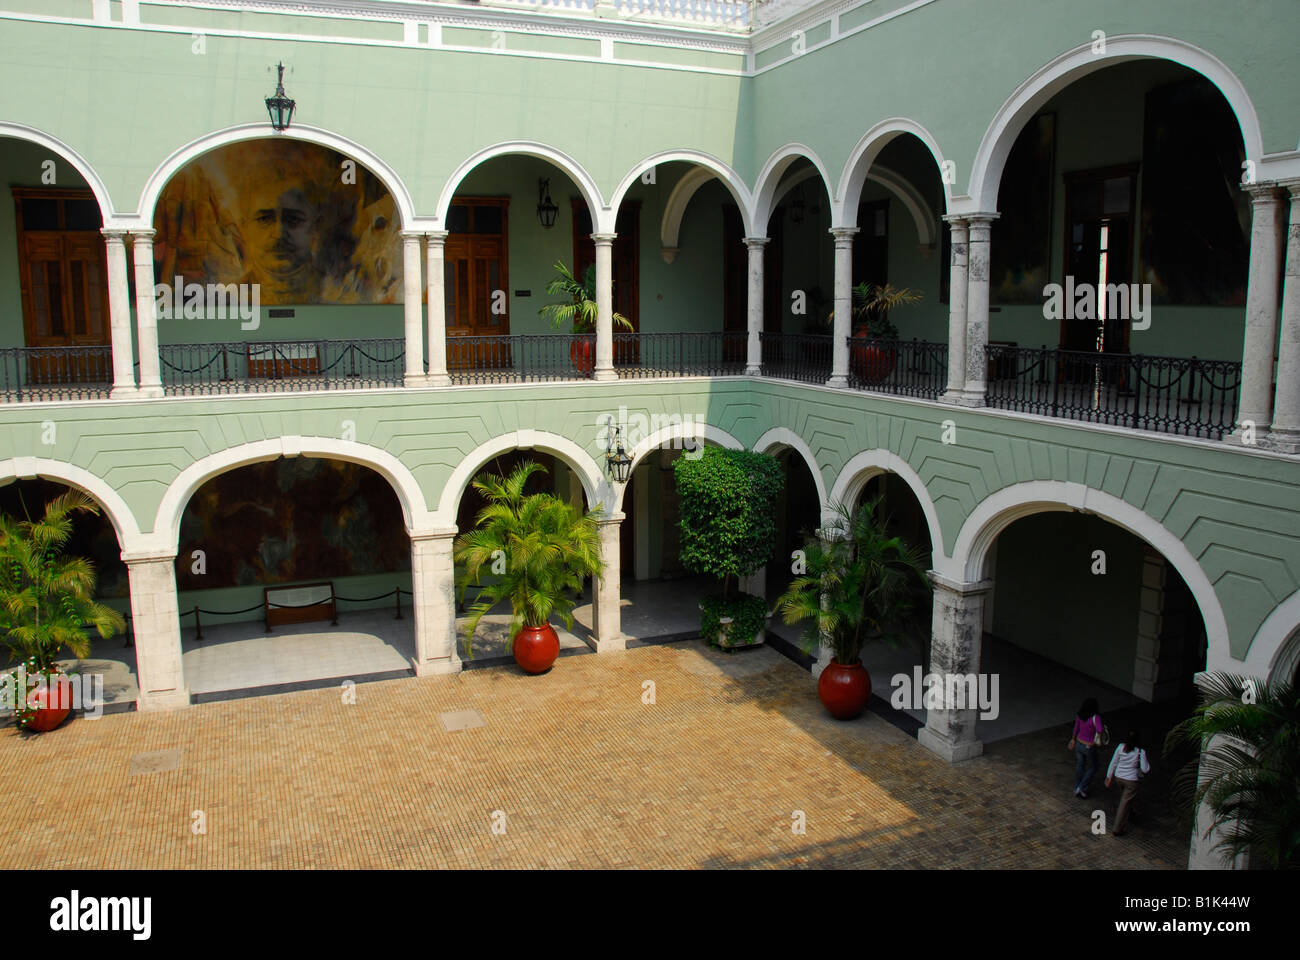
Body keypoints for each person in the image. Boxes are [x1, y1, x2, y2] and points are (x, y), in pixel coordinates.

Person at [1105, 731, 1150, 836]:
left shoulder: (1121, 747)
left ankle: (1131, 814)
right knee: (1124, 803)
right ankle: (1118, 828)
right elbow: (1145, 769)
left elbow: (1114, 762)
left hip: (1118, 778)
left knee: (1127, 799)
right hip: (1131, 781)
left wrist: (1108, 777)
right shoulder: (1140, 752)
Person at [1068, 697, 1103, 798]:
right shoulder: (1095, 717)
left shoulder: (1080, 715)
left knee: (1080, 766)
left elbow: (1076, 728)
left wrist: (1073, 739)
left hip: (1079, 743)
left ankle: (1077, 787)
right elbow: (1100, 730)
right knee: (1094, 766)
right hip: (1089, 745)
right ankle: (1082, 787)